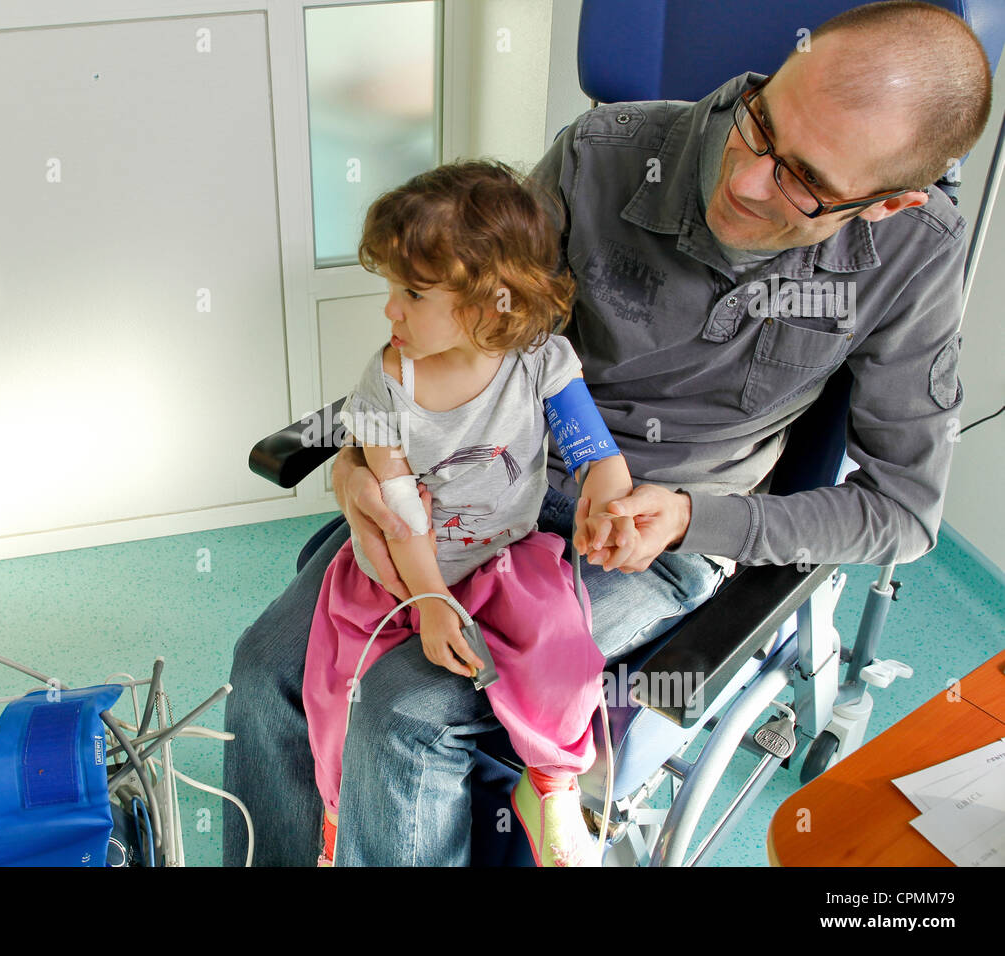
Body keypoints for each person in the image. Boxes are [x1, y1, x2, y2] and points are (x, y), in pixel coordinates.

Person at [224, 0, 993, 866]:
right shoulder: (604, 155)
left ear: (887, 204)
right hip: (480, 481)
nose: (744, 180)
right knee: (263, 670)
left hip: (654, 533)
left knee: (407, 709)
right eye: (760, 123)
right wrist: (362, 458)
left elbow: (903, 512)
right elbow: (457, 314)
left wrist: (694, 519)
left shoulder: (916, 258)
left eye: (803, 182)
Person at [304, 161, 632, 867]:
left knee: (564, 656)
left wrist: (607, 498)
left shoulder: (540, 361)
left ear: (494, 302)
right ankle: (338, 818)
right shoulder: (387, 380)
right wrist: (427, 602)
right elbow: (399, 515)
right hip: (399, 566)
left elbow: (596, 453)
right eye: (392, 288)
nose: (391, 310)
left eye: (414, 293)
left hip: (505, 561)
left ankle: (552, 784)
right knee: (338, 693)